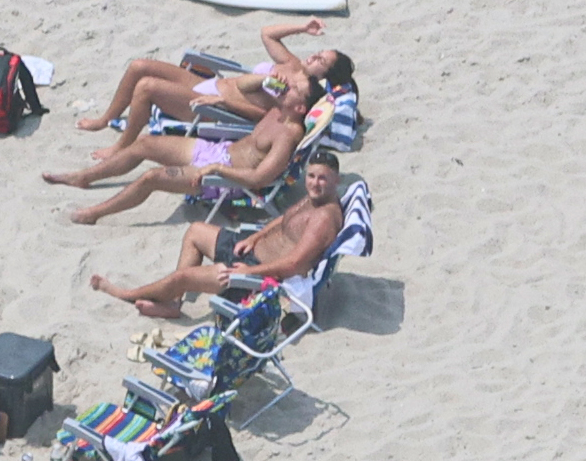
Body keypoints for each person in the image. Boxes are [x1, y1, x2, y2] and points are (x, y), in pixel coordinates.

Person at [43, 72, 329, 224]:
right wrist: (224, 103)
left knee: (152, 178)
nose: (287, 87)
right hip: (219, 152)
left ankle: (94, 213)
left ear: (301, 106)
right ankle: (84, 178)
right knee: (145, 144)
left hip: (225, 178)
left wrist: (217, 169)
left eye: (293, 89)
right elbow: (256, 119)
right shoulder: (279, 110)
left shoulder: (289, 135)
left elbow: (259, 179)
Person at [90, 150, 346, 318]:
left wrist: (247, 272)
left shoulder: (324, 217)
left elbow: (295, 263)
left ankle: (124, 294)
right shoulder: (313, 199)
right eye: (311, 176)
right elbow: (283, 220)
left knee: (183, 276)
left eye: (323, 178)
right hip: (248, 251)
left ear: (336, 180)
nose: (314, 183)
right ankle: (172, 304)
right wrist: (254, 237)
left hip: (258, 274)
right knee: (196, 231)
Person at [77, 21, 354, 151]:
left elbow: (262, 117)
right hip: (209, 84)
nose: (314, 55)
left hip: (212, 106)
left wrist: (223, 103)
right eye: (319, 51)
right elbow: (266, 32)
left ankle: (121, 146)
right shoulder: (291, 64)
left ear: (324, 76)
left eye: (321, 60)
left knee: (148, 86)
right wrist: (303, 28)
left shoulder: (296, 95)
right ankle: (105, 119)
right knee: (139, 66)